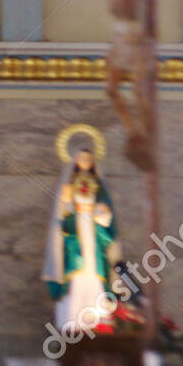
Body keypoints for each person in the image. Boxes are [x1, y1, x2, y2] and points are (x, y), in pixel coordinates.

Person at [87, 0, 183, 165]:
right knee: (111, 91)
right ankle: (133, 132)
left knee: (138, 92)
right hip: (119, 42)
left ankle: (146, 136)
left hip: (137, 43)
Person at [43, 132, 134, 336]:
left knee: (95, 274)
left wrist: (100, 214)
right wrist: (68, 207)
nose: (84, 161)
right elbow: (61, 217)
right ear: (75, 161)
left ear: (93, 161)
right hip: (75, 237)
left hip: (94, 234)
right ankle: (72, 325)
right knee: (76, 278)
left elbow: (106, 212)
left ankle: (99, 324)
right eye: (81, 158)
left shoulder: (99, 186)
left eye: (88, 158)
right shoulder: (68, 185)